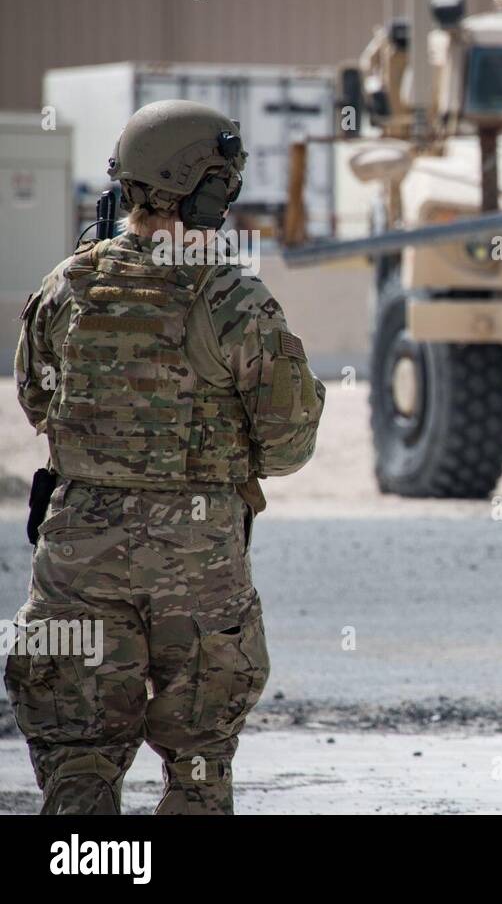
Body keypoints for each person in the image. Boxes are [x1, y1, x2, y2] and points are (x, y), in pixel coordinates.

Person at [6, 99, 325, 814]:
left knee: (78, 762)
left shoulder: (67, 286)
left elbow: (37, 404)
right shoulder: (235, 298)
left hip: (77, 552)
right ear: (212, 191)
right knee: (200, 763)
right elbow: (288, 444)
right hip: (200, 559)